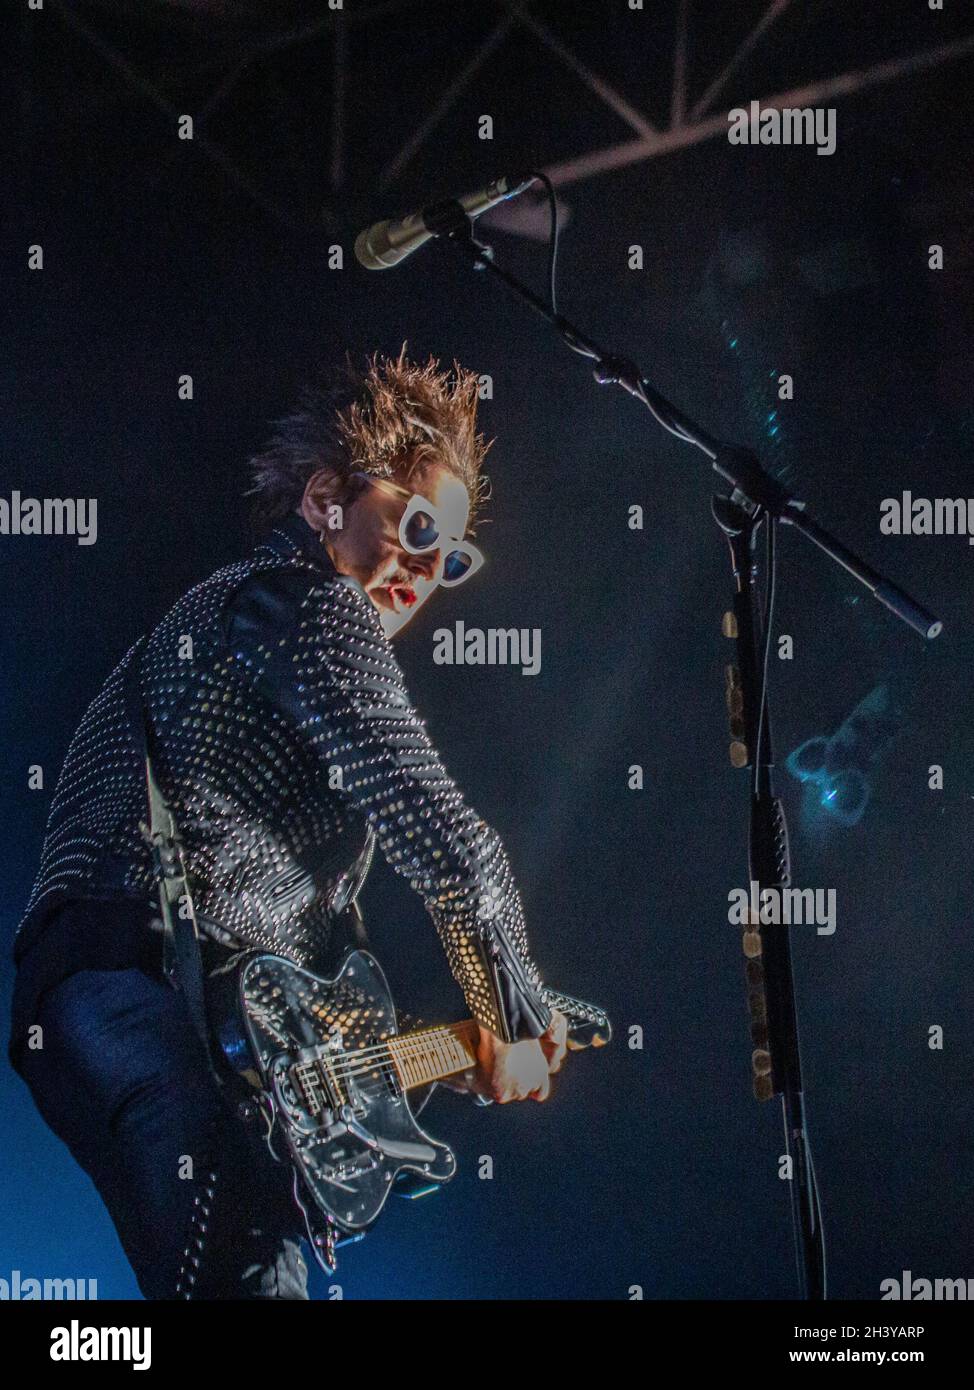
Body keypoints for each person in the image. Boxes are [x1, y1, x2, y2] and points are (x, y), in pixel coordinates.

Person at [9, 346, 567, 1300]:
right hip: (139, 985)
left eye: (454, 556)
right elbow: (451, 846)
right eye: (417, 522)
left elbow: (300, 996)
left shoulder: (249, 628)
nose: (429, 565)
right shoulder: (305, 605)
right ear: (325, 500)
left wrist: (434, 1060)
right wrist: (514, 1013)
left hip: (114, 1000)